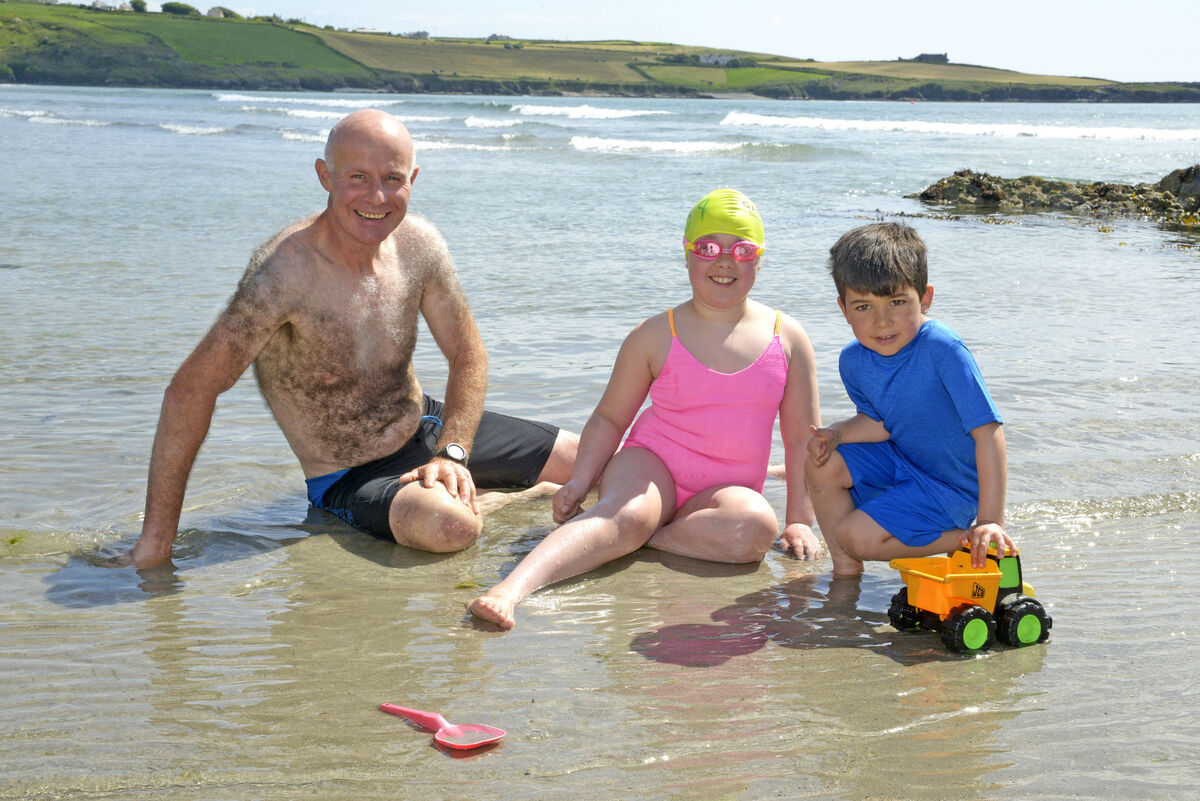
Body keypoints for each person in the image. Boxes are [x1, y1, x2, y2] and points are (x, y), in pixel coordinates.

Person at [128, 109, 576, 568]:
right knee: (451, 527)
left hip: (428, 428)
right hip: (349, 475)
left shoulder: (419, 245)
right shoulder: (286, 271)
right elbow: (190, 389)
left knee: (602, 459)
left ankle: (469, 484)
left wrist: (454, 451)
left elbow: (468, 355)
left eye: (392, 178)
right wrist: (155, 545)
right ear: (326, 175)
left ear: (413, 179)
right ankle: (520, 496)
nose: (376, 196)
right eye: (358, 176)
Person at [468, 188, 822, 630]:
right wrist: (580, 480)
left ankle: (645, 538)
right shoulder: (656, 334)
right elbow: (610, 418)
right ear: (687, 254)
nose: (724, 261)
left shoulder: (787, 338)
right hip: (651, 465)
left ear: (760, 258)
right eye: (708, 248)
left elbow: (802, 439)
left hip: (726, 491)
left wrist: (799, 521)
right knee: (628, 513)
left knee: (753, 529)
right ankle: (511, 589)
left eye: (742, 249)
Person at [804, 222, 1012, 577]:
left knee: (858, 536)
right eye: (863, 306)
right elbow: (880, 424)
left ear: (925, 298)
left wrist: (990, 519)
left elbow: (988, 433)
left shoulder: (942, 349)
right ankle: (845, 570)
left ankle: (967, 539)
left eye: (897, 302)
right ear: (843, 309)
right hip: (902, 462)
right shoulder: (853, 360)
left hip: (949, 487)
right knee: (821, 463)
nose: (882, 321)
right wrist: (836, 434)